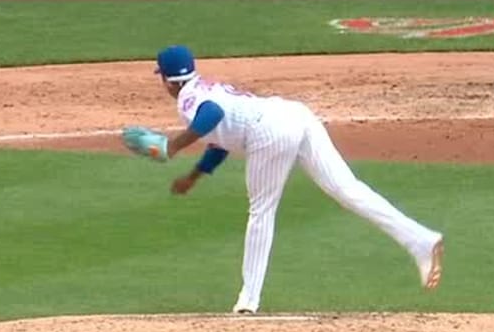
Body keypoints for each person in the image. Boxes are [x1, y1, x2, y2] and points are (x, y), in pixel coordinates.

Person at [121, 45, 445, 314]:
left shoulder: (188, 99)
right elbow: (221, 140)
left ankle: (247, 303)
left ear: (168, 80)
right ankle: (420, 240)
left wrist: (172, 147)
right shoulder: (206, 86)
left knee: (261, 211)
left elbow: (212, 117)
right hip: (295, 115)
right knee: (347, 189)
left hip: (269, 132)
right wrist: (194, 176)